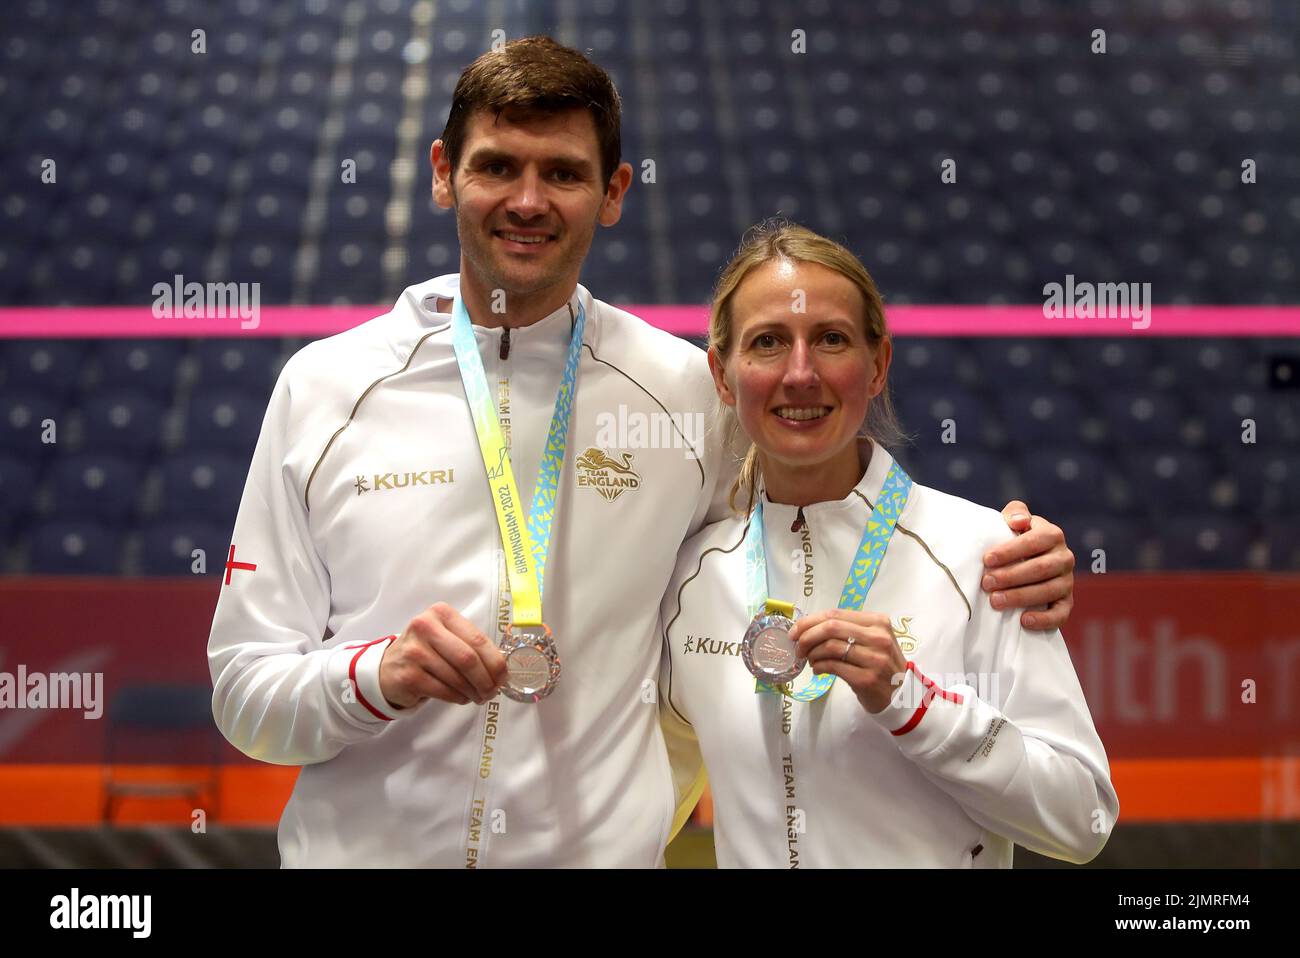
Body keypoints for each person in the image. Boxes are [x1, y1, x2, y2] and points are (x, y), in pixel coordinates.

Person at [208, 36, 1079, 868]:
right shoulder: (324, 389)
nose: (527, 200)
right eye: (498, 166)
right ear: (444, 173)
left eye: (564, 174)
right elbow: (245, 697)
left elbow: (822, 515)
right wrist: (373, 677)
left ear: (615, 191)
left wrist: (1004, 556)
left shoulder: (687, 395)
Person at [658, 221, 1118, 867]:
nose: (799, 373)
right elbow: (645, 799)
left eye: (831, 340)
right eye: (768, 342)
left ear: (877, 366)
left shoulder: (985, 555)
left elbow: (1083, 818)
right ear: (723, 374)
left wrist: (914, 703)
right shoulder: (689, 581)